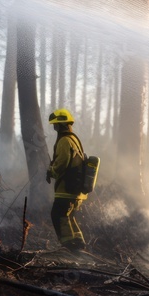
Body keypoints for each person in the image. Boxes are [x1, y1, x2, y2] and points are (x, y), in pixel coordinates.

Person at [46, 108, 88, 252]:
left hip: (66, 188)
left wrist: (51, 171)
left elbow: (62, 162)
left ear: (62, 125)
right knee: (68, 216)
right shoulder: (74, 139)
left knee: (57, 214)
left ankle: (69, 246)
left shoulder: (64, 140)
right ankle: (79, 243)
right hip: (75, 188)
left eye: (56, 125)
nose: (54, 128)